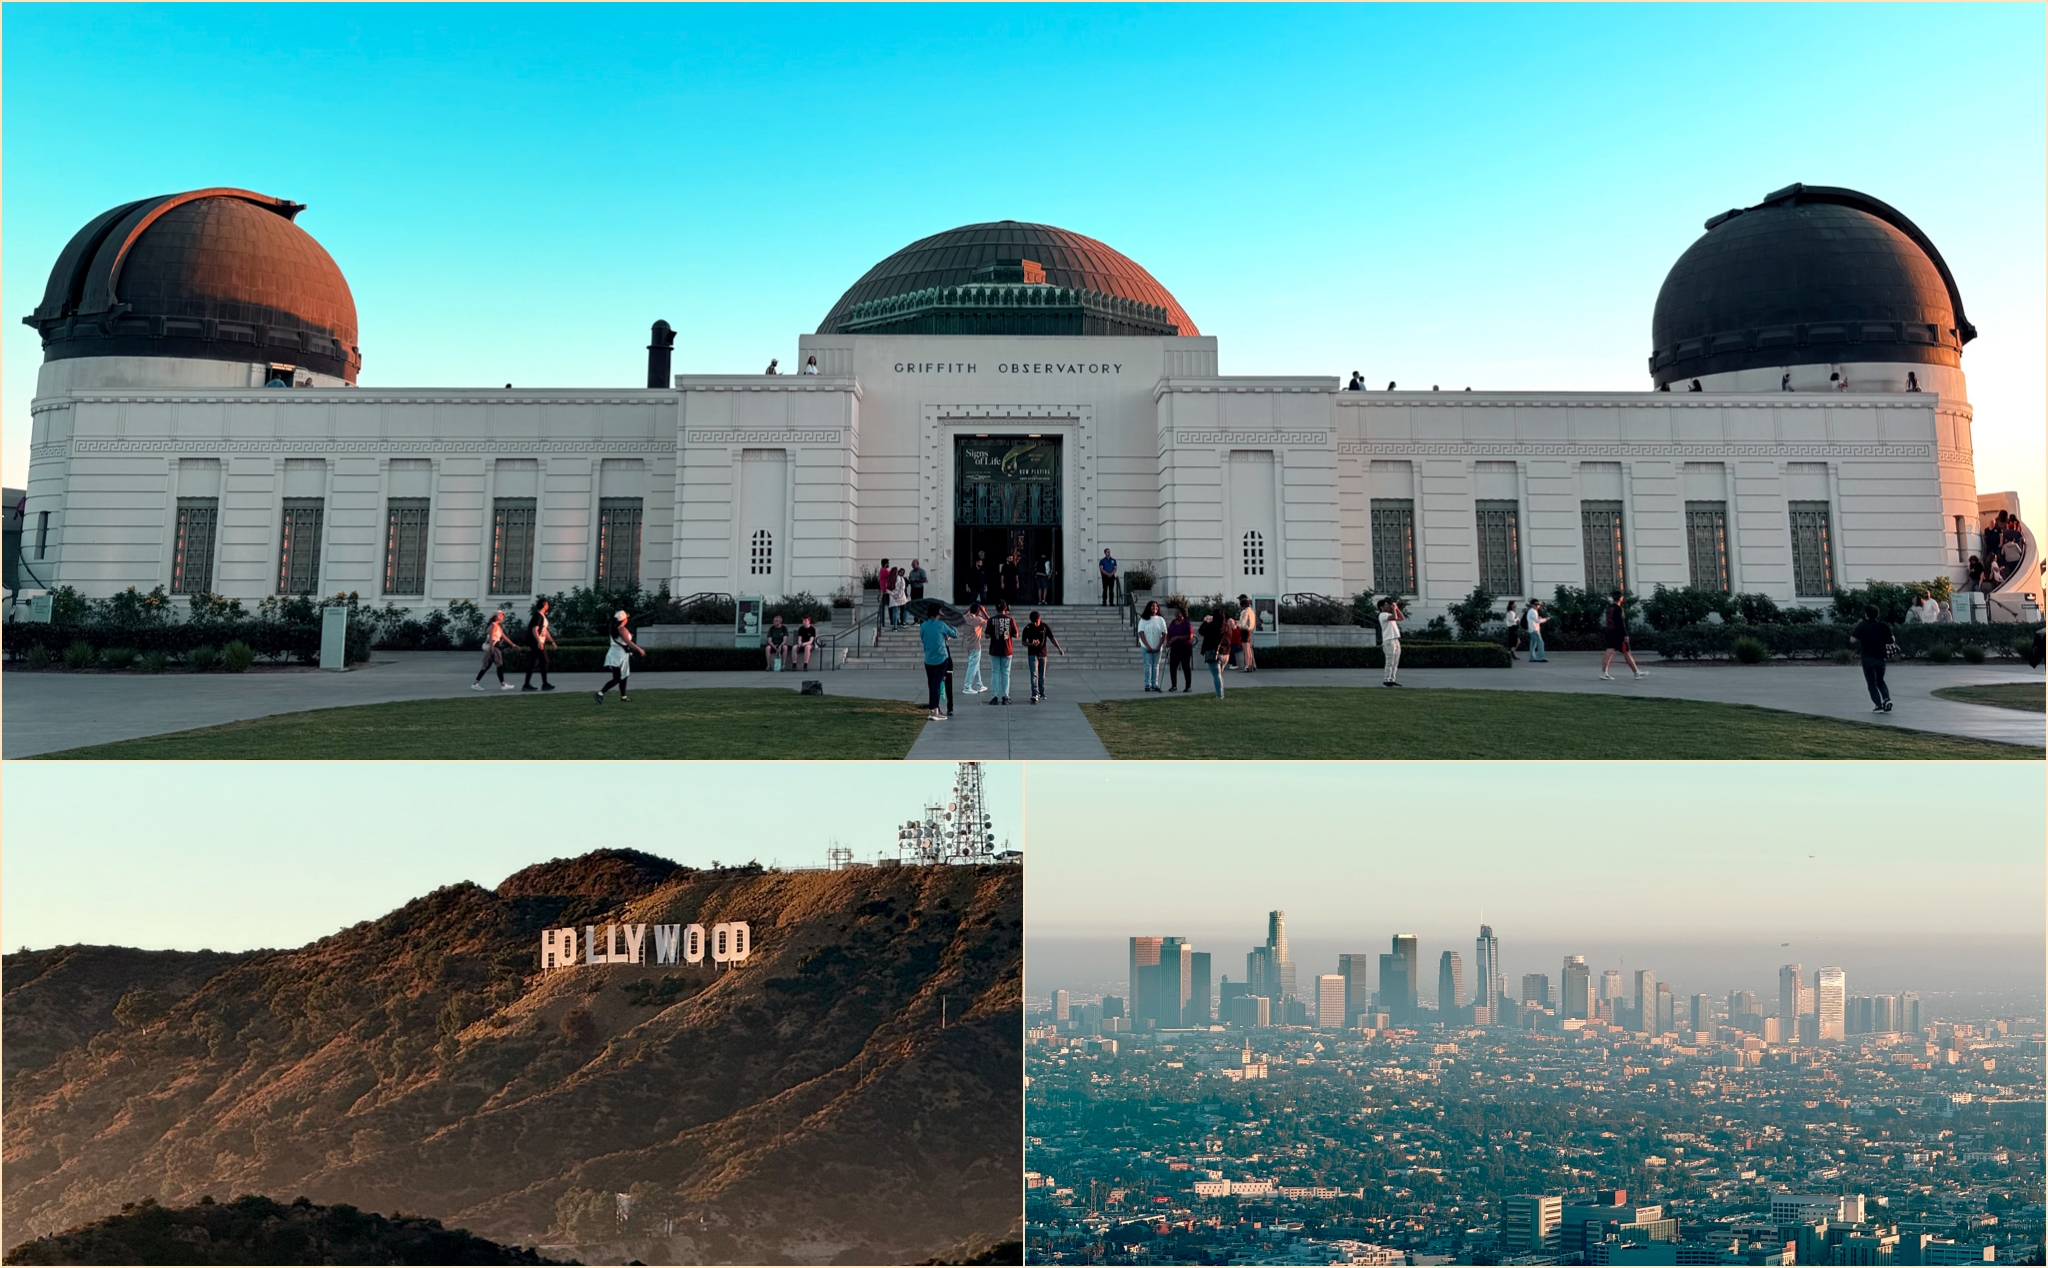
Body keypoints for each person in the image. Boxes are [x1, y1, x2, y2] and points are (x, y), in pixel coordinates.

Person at [1850, 603, 1894, 713]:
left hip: (1867, 657)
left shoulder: (1862, 625)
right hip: (1881, 656)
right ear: (1877, 614)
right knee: (1880, 680)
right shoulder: (1883, 626)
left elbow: (1852, 640)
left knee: (1871, 682)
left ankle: (1878, 705)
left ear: (1866, 614)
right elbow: (1891, 640)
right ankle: (1886, 699)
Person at [595, 609, 644, 702]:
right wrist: (639, 649)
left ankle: (623, 696)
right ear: (624, 620)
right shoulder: (621, 629)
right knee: (617, 678)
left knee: (623, 676)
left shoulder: (614, 628)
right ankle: (600, 693)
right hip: (619, 655)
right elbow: (628, 642)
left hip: (617, 654)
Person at [1599, 590, 1647, 681]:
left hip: (1610, 632)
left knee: (1612, 652)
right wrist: (1625, 634)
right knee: (1626, 652)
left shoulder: (1609, 608)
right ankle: (1636, 672)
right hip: (1618, 634)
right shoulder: (1618, 608)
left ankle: (1604, 672)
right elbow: (1620, 622)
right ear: (1621, 598)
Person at [920, 607, 956, 721]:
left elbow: (923, 638)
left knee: (932, 684)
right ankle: (935, 711)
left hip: (929, 658)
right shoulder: (940, 625)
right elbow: (955, 634)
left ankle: (932, 709)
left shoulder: (923, 625)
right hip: (941, 658)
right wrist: (953, 624)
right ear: (937, 614)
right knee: (936, 684)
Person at [471, 609, 521, 690]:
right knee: (499, 665)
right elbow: (490, 638)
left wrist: (513, 644)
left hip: (494, 647)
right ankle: (503, 684)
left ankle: (475, 683)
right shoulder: (493, 625)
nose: (502, 617)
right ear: (495, 616)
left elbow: (504, 637)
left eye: (502, 615)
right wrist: (492, 649)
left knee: (487, 666)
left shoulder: (498, 626)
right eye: (500, 615)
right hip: (494, 647)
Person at [1021, 609, 1064, 703]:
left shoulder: (1044, 627)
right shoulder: (1028, 628)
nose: (1035, 624)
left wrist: (1059, 648)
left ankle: (1041, 692)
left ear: (1039, 618)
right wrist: (1031, 644)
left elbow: (1052, 638)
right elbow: (1023, 642)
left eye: (1036, 621)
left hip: (1042, 653)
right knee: (1033, 674)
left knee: (1042, 675)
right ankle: (1034, 693)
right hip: (1032, 653)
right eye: (1033, 622)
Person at [521, 597, 558, 691]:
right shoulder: (538, 616)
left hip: (539, 642)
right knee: (544, 661)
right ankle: (544, 684)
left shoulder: (543, 616)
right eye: (547, 604)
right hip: (536, 643)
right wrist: (538, 641)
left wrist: (552, 641)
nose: (548, 606)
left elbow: (545, 631)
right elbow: (534, 629)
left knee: (535, 663)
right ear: (544, 605)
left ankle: (527, 684)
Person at [985, 602, 1018, 705]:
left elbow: (987, 635)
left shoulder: (991, 620)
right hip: (1007, 649)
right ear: (1006, 608)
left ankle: (994, 696)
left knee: (995, 673)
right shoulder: (1010, 619)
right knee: (1005, 673)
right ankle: (1005, 697)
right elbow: (1016, 634)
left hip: (994, 649)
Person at [1136, 599, 1167, 692]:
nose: (1155, 608)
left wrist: (1159, 645)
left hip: (1157, 647)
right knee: (1148, 665)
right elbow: (1141, 632)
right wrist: (1147, 645)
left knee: (1156, 665)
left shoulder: (1160, 619)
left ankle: (1155, 684)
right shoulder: (1144, 619)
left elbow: (1164, 633)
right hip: (1146, 647)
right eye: (1153, 607)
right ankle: (1147, 684)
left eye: (1156, 607)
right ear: (1149, 608)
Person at [1198, 607, 1230, 698]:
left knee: (1217, 675)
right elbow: (1229, 640)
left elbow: (1201, 631)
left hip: (1213, 653)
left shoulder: (1210, 626)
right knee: (1220, 675)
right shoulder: (1227, 627)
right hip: (1225, 653)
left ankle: (1220, 695)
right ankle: (1220, 693)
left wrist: (1205, 621)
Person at [960, 602, 988, 693]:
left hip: (968, 645)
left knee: (976, 665)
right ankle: (967, 686)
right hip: (976, 645)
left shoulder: (965, 619)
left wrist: (970, 608)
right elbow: (990, 621)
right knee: (973, 666)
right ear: (978, 611)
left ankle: (979, 684)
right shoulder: (978, 620)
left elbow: (963, 615)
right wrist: (984, 612)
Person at [1166, 605, 1195, 692]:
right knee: (1173, 666)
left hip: (1185, 647)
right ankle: (1174, 685)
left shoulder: (1186, 623)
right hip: (1174, 648)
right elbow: (1169, 633)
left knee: (1185, 666)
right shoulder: (1173, 622)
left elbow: (1190, 636)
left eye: (1179, 613)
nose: (1177, 615)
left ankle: (1188, 686)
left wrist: (1178, 637)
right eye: (1176, 613)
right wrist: (1168, 642)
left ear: (1183, 614)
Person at [1377, 598, 1404, 687]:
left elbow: (1402, 618)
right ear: (1381, 607)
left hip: (1395, 639)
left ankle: (1392, 679)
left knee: (1395, 661)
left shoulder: (1388, 614)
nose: (1388, 606)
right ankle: (1386, 679)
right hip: (1389, 640)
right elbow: (1394, 617)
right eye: (1385, 605)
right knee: (1390, 661)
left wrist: (1396, 608)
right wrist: (1393, 609)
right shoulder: (1382, 615)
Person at [1235, 594, 1258, 671]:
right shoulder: (1251, 611)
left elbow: (1242, 623)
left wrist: (1236, 624)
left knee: (1246, 650)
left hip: (1244, 631)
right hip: (1249, 631)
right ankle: (1251, 665)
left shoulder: (1245, 612)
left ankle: (1247, 666)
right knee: (1249, 650)